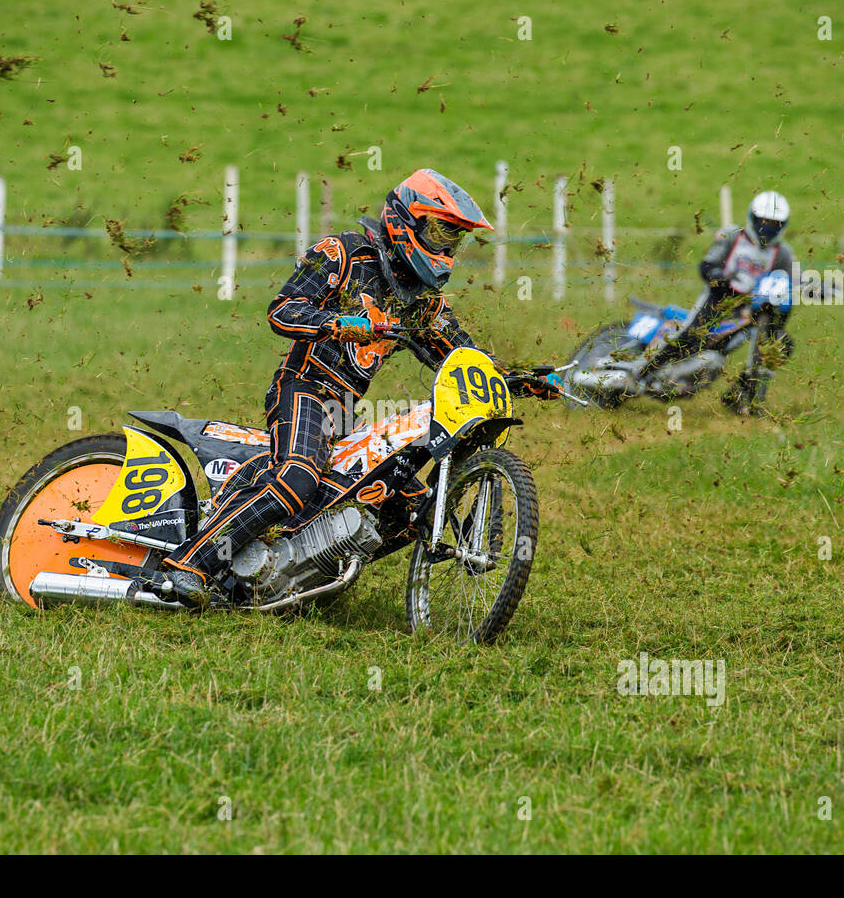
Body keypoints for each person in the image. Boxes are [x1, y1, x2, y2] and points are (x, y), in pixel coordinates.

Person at [156, 169, 563, 606]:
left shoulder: (422, 301)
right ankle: (192, 562)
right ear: (407, 219)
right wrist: (338, 323)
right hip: (302, 389)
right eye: (440, 232)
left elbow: (465, 359)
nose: (445, 248)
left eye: (454, 240)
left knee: (410, 509)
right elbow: (282, 311)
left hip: (347, 414)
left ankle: (303, 580)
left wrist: (523, 378)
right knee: (297, 476)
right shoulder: (340, 252)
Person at [637, 190, 796, 413]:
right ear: (753, 217)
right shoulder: (732, 235)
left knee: (779, 344)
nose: (768, 228)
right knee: (689, 337)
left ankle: (744, 396)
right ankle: (640, 371)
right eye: (764, 221)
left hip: (749, 311)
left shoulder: (783, 253)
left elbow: (791, 282)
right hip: (717, 300)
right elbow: (707, 265)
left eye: (774, 224)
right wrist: (722, 278)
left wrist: (817, 289)